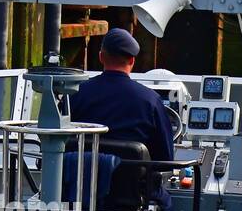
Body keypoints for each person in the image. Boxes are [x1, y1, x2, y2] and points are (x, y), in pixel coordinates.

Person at [69, 28, 176, 164]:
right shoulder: (151, 101)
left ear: (101, 57)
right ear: (132, 61)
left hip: (81, 182)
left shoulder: (75, 94)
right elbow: (165, 161)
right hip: (132, 185)